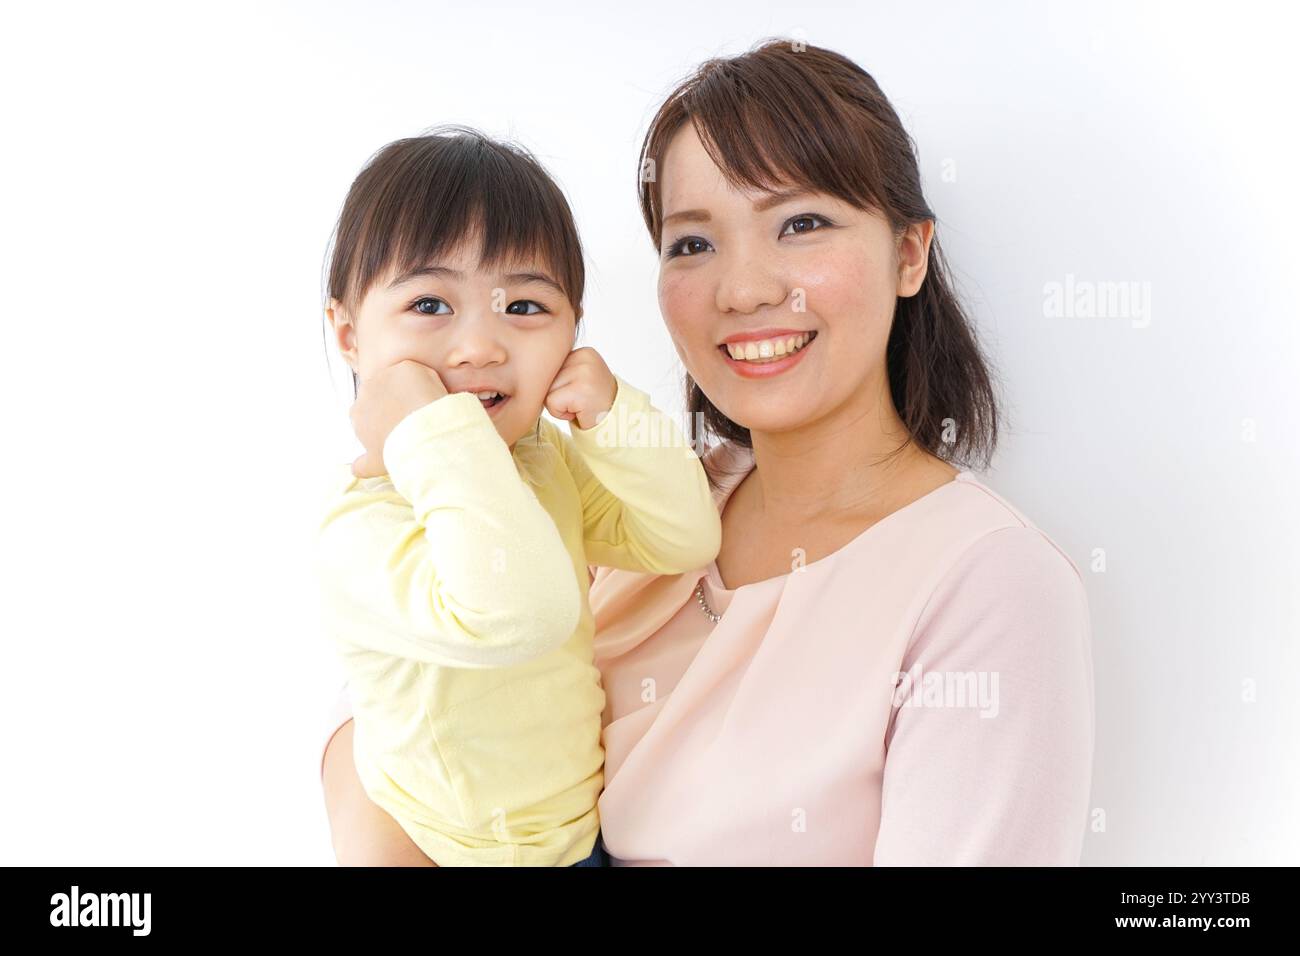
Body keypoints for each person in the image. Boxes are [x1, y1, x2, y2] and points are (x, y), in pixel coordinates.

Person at [321, 40, 1095, 866]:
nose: (746, 289)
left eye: (801, 224)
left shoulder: (989, 585)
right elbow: (389, 727)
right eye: (693, 243)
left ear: (909, 254)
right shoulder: (635, 498)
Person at [315, 126, 721, 866]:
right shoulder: (362, 531)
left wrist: (612, 416)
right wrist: (434, 431)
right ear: (348, 334)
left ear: (574, 329)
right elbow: (518, 614)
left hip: (581, 840)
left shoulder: (545, 468)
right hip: (449, 849)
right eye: (431, 305)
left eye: (525, 308)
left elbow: (683, 538)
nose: (481, 346)